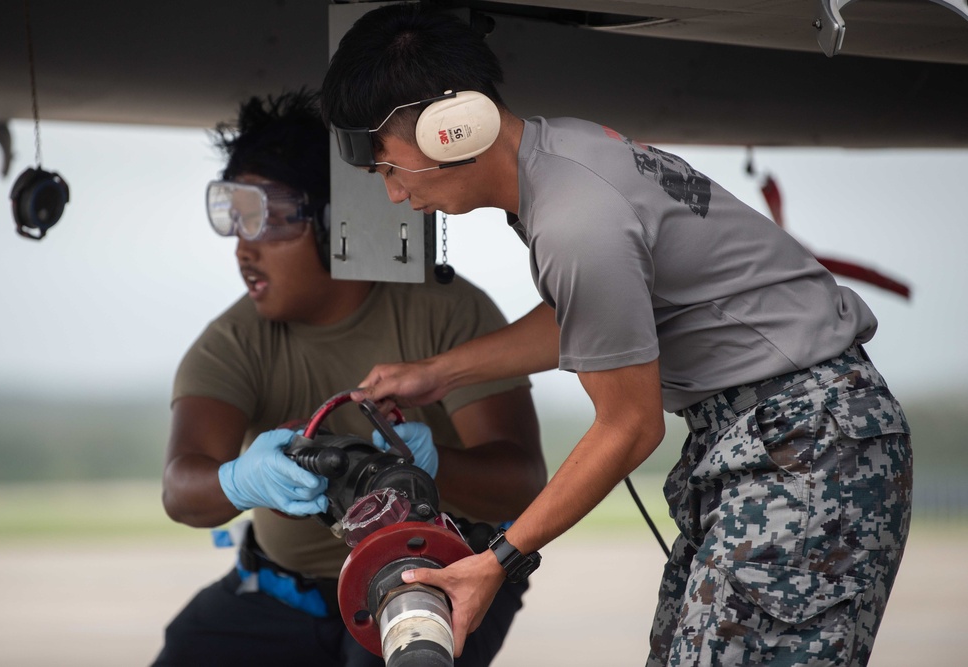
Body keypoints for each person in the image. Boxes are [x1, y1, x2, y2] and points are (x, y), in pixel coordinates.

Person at [319, 5, 913, 667]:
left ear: (451, 129)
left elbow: (629, 426)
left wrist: (498, 557)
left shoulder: (575, 219)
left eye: (389, 169)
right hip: (774, 431)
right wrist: (438, 372)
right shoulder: (561, 156)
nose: (395, 195)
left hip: (807, 446)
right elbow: (599, 315)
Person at [153, 88, 546, 667]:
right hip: (286, 594)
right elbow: (181, 491)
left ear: (339, 221)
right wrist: (239, 480)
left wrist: (432, 465)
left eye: (268, 219)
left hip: (436, 579)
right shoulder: (235, 342)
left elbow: (520, 481)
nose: (244, 249)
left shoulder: (445, 313)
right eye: (235, 220)